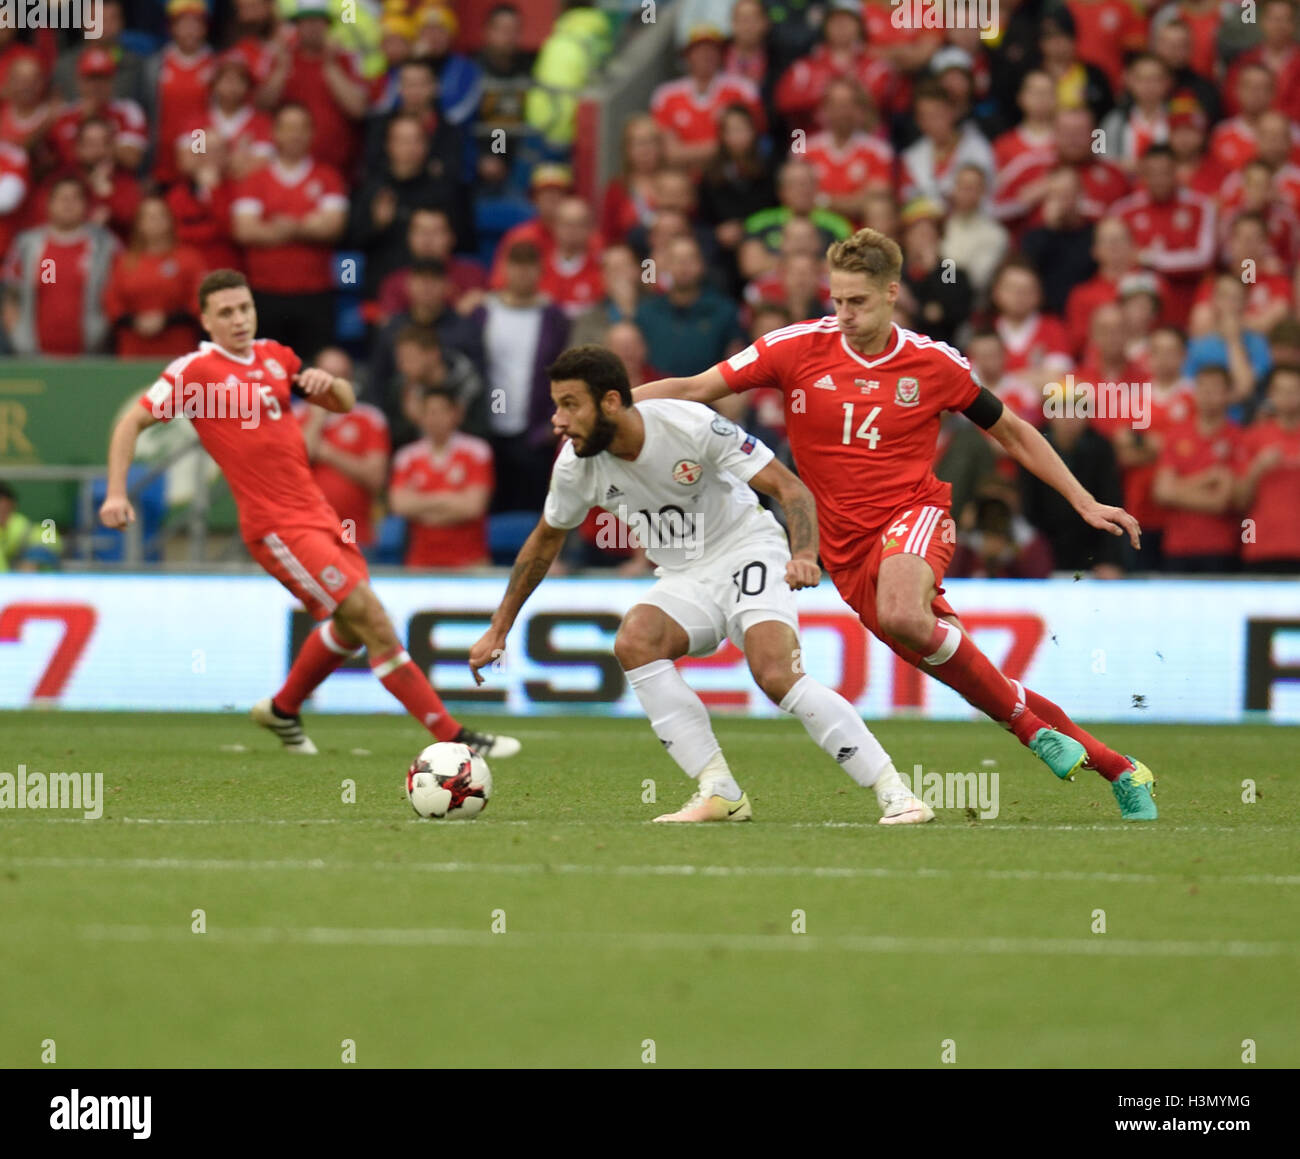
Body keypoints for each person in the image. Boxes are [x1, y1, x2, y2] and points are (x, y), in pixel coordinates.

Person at [633, 227, 1159, 821]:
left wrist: (1083, 501)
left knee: (906, 615)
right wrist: (615, 408)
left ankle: (1033, 734)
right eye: (836, 300)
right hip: (849, 553)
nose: (844, 314)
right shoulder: (795, 347)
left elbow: (1010, 429)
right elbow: (696, 388)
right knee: (973, 680)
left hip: (916, 514)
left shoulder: (934, 364)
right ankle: (1117, 766)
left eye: (857, 301)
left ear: (890, 294)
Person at [468, 345, 931, 825]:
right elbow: (543, 544)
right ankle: (720, 791)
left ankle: (896, 792)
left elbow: (790, 489)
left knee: (775, 674)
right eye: (556, 405)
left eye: (570, 404)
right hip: (684, 575)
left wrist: (805, 554)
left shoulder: (689, 424)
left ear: (609, 402)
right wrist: (498, 629)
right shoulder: (575, 465)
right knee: (635, 640)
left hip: (746, 548)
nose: (559, 421)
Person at [99, 268, 519, 760]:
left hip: (318, 514)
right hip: (275, 527)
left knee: (347, 627)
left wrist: (331, 383)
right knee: (370, 616)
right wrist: (115, 492)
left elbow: (342, 403)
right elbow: (133, 420)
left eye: (245, 308)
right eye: (227, 312)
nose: (239, 319)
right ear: (207, 320)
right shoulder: (195, 372)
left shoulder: (276, 357)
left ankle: (282, 708)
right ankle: (453, 737)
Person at [388, 386, 493, 569]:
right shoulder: (406, 456)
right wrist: (451, 501)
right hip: (420, 563)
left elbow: (473, 507)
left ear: (456, 414)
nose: (435, 419)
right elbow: (399, 505)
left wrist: (422, 506)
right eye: (429, 412)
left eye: (441, 412)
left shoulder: (477, 451)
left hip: (470, 563)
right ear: (421, 416)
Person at [103, 196, 205, 358]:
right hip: (133, 349)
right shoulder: (125, 261)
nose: (155, 221)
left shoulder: (189, 259)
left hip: (178, 346)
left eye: (160, 216)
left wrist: (167, 320)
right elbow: (112, 301)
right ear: (139, 224)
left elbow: (200, 301)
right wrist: (135, 322)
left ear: (170, 220)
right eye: (148, 217)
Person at [1234, 363, 1300, 573]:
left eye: (1293, 390)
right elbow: (1238, 501)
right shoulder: (1253, 437)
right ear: (1271, 394)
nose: (1287, 396)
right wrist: (1257, 468)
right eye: (1280, 390)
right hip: (1261, 545)